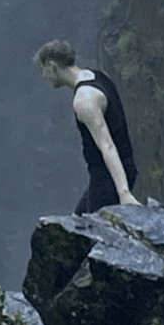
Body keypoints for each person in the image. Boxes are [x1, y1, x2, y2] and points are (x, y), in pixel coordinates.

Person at [34, 39, 141, 213]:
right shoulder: (99, 76)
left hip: (109, 179)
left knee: (89, 236)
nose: (43, 76)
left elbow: (107, 146)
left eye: (43, 70)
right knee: (77, 222)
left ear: (52, 66)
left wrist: (123, 193)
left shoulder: (84, 100)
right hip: (118, 171)